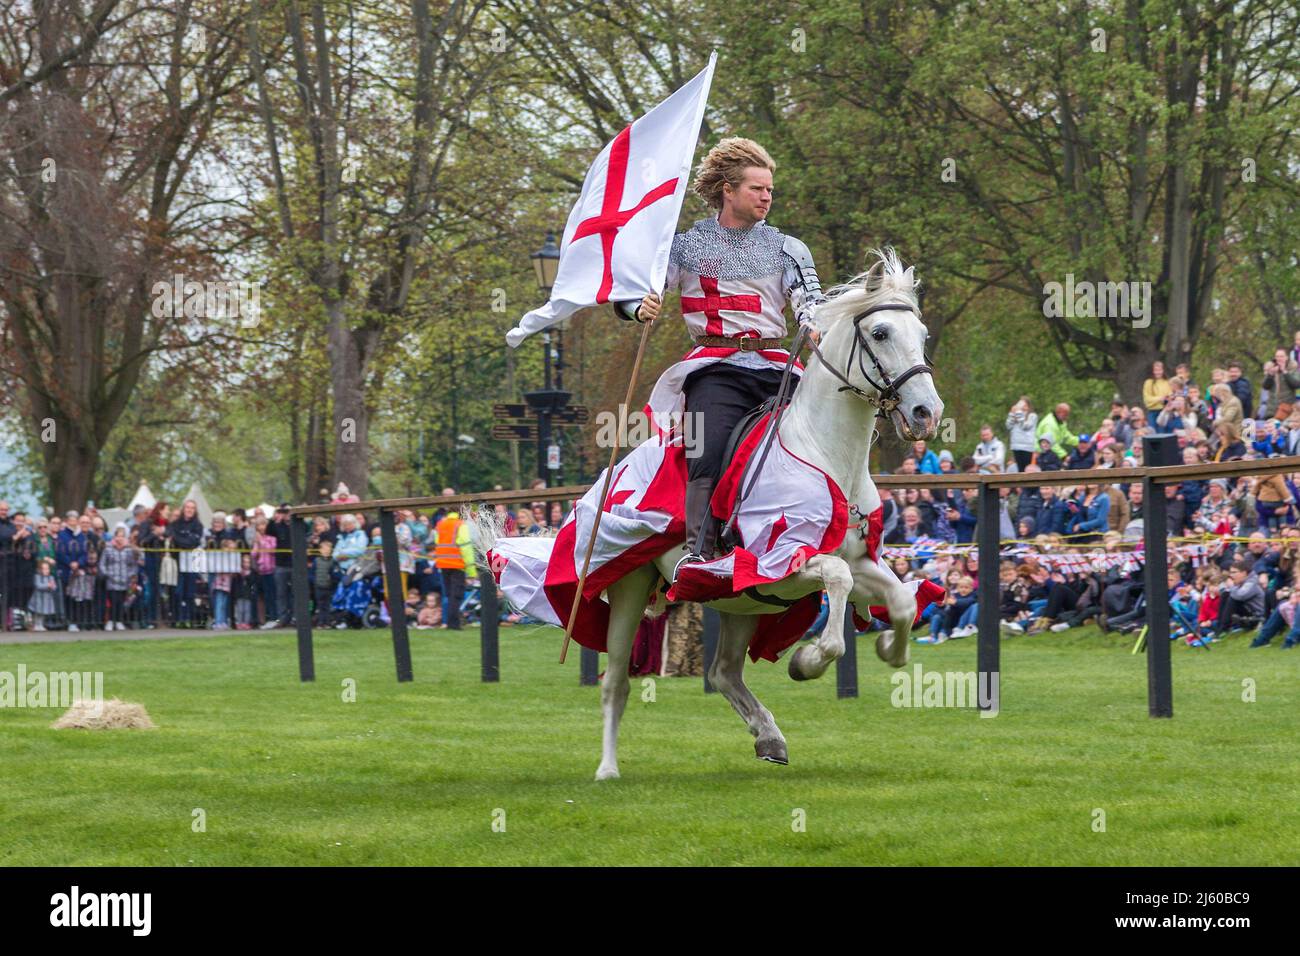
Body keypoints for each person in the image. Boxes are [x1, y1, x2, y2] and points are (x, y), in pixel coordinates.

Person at [621, 137, 827, 570]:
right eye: (757, 188)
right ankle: (700, 552)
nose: (767, 196)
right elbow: (636, 290)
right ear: (728, 190)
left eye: (770, 189)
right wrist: (639, 307)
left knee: (819, 442)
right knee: (707, 449)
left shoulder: (788, 247)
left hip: (779, 368)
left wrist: (814, 325)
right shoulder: (684, 247)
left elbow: (810, 302)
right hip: (715, 370)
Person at [434, 507, 477, 630]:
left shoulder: (440, 524)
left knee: (448, 595)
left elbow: (437, 542)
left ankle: (448, 621)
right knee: (456, 595)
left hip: (443, 564)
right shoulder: (460, 525)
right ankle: (454, 624)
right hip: (457, 565)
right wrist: (471, 571)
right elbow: (466, 548)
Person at [99, 527, 139, 631]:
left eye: (122, 536)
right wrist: (107, 574)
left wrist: (130, 575)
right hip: (112, 580)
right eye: (118, 536)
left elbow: (133, 564)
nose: (119, 538)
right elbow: (102, 564)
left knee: (121, 601)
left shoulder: (129, 550)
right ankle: (111, 621)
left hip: (124, 580)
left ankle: (119, 621)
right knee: (113, 600)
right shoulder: (108, 549)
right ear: (114, 536)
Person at [1005, 398, 1039, 472]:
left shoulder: (1032, 416)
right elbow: (1008, 426)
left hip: (1027, 447)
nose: (1022, 407)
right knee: (1020, 469)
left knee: (1027, 469)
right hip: (1016, 446)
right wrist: (1011, 414)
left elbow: (1024, 426)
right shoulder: (1016, 415)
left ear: (1028, 407)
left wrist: (1019, 413)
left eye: (1024, 405)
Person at [1142, 360, 1173, 428]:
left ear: (1163, 370)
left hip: (1165, 411)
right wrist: (1160, 398)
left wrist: (1167, 399)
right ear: (1153, 371)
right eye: (1156, 370)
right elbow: (1147, 399)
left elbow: (1170, 395)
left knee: (1163, 433)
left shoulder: (1167, 382)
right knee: (1153, 432)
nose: (1158, 372)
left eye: (1160, 370)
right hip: (1153, 412)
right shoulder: (1148, 382)